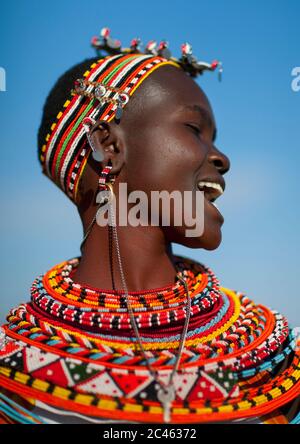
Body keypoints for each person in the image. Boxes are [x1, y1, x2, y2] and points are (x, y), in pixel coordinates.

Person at [0, 28, 299, 424]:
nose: (222, 158)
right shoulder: (12, 379)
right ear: (109, 145)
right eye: (195, 130)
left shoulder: (276, 359)